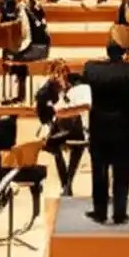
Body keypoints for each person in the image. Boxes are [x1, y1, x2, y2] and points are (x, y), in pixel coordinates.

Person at [82, 44, 129, 224]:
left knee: (99, 173)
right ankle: (119, 213)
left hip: (100, 128)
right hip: (125, 130)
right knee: (122, 173)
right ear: (125, 54)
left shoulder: (93, 69)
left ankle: (99, 212)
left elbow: (85, 75)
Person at [36, 61, 87, 196]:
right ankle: (66, 183)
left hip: (76, 126)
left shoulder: (76, 83)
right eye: (56, 73)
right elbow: (44, 115)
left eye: (62, 72)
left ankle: (67, 183)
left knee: (79, 147)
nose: (59, 76)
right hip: (58, 127)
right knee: (53, 147)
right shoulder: (45, 92)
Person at [0, 0, 51, 106]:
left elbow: (27, 35)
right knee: (11, 51)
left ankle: (18, 90)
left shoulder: (29, 7)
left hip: (38, 48)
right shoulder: (24, 7)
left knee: (11, 53)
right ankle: (19, 92)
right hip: (35, 45)